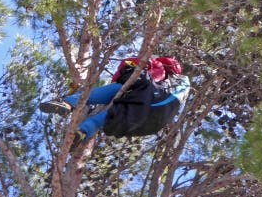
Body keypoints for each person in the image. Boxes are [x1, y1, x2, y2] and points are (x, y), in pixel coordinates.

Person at [39, 56, 190, 143]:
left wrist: (122, 75)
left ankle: (68, 103)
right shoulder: (181, 88)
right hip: (150, 124)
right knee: (112, 115)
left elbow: (135, 66)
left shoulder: (160, 68)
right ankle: (81, 134)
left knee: (118, 88)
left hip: (148, 99)